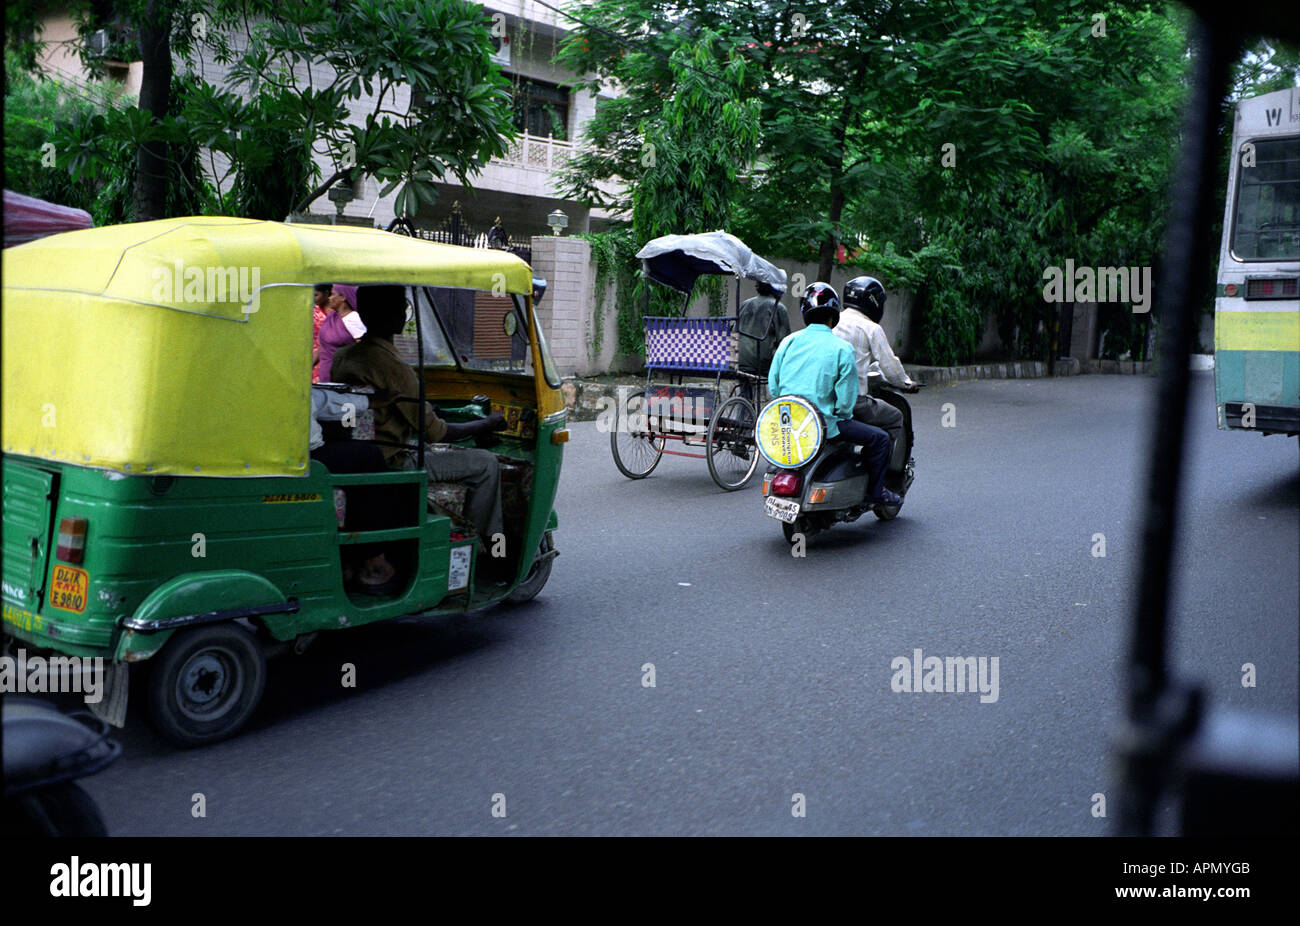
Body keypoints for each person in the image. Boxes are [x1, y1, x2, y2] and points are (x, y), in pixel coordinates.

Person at [330, 285, 510, 569]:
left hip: (360, 452)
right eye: (401, 307)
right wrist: (487, 423)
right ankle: (483, 552)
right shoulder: (392, 366)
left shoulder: (344, 356)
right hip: (393, 460)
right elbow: (437, 432)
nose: (404, 312)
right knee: (486, 463)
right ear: (393, 314)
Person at [768, 282, 901, 509]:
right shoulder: (841, 348)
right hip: (826, 427)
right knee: (880, 439)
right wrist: (841, 414)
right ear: (833, 317)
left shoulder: (788, 342)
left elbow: (774, 387)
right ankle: (875, 493)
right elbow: (846, 401)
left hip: (788, 423)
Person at [310, 384, 403, 593]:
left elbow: (318, 400)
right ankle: (372, 560)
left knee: (358, 452)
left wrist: (367, 401)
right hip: (298, 457)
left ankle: (354, 558)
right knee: (369, 457)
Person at [834, 276, 918, 465]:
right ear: (874, 302)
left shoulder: (833, 320)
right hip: (854, 402)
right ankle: (871, 465)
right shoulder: (871, 328)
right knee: (895, 417)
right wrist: (906, 383)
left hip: (825, 399)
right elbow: (889, 365)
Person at [736, 280, 791, 401]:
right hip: (760, 363)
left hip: (739, 360)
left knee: (745, 394)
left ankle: (745, 408)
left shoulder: (745, 304)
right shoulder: (778, 307)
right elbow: (785, 343)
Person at [316, 283, 366, 382]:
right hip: (326, 375)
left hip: (342, 378)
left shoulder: (352, 319)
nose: (329, 298)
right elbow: (324, 347)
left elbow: (362, 348)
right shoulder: (331, 317)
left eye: (333, 294)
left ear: (343, 297)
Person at [311, 284, 331, 383]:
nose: (313, 299)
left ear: (326, 293)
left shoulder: (336, 313)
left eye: (316, 295)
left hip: (328, 357)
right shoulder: (312, 312)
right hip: (312, 356)